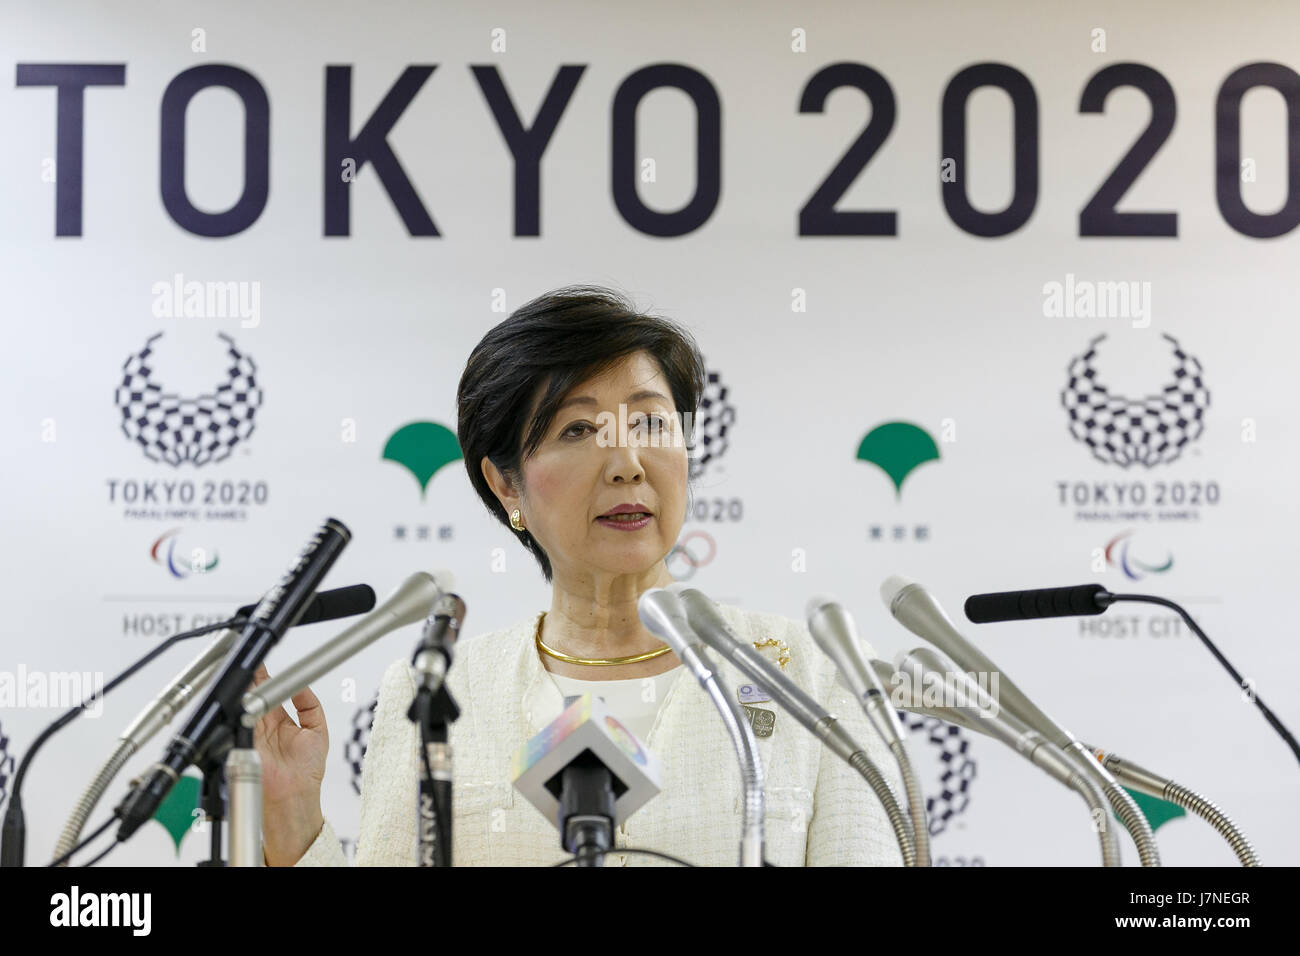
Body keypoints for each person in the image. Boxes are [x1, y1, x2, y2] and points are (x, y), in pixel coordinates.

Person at [255, 285, 906, 866]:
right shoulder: (435, 692)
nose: (625, 461)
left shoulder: (814, 674)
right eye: (578, 428)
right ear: (505, 484)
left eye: (651, 421)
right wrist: (293, 820)